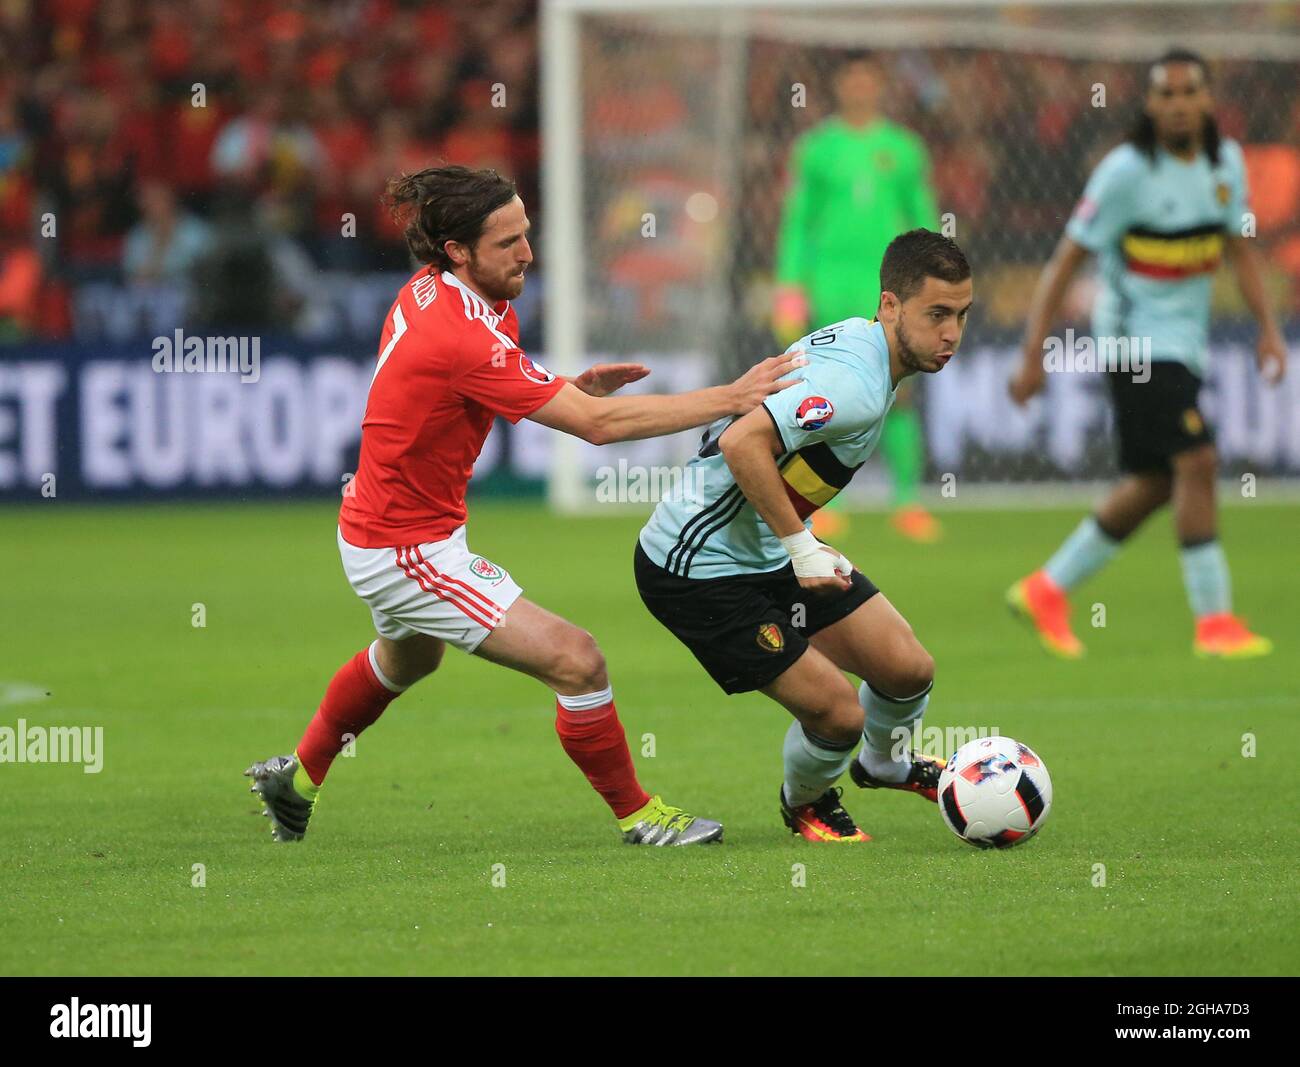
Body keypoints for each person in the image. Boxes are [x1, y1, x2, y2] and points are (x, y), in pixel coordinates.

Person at [245, 165, 804, 847]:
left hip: (382, 525)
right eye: (508, 242)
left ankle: (296, 778)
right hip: (406, 549)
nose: (527, 254)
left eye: (526, 235)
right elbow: (597, 428)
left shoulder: (436, 293)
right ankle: (640, 815)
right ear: (458, 250)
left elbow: (457, 397)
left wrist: (568, 388)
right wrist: (729, 397)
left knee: (407, 661)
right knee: (578, 658)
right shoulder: (463, 334)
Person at [637, 230, 972, 842]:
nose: (951, 333)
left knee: (907, 670)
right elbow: (742, 443)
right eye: (938, 315)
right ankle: (807, 803)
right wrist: (802, 547)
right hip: (695, 570)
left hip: (765, 549)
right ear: (890, 306)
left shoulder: (866, 350)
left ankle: (884, 764)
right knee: (840, 714)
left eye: (961, 316)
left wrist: (794, 545)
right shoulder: (856, 388)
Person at [1007, 49, 1287, 660]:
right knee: (1199, 460)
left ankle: (1047, 587)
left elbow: (1238, 246)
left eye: (1190, 92)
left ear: (1208, 100)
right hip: (1133, 345)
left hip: (1184, 346)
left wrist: (1268, 328)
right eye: (1167, 94)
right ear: (1150, 105)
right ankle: (1214, 622)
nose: (1180, 104)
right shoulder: (1126, 173)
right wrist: (1034, 352)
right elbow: (1065, 262)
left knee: (1158, 480)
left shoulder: (1226, 164)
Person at [773, 51, 941, 544]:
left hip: (892, 283)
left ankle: (907, 500)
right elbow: (798, 221)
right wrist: (789, 284)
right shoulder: (816, 148)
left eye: (869, 80)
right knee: (826, 394)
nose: (860, 88)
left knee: (901, 390)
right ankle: (823, 503)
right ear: (840, 86)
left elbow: (922, 215)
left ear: (879, 86)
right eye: (852, 80)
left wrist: (931, 275)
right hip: (831, 280)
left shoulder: (904, 148)